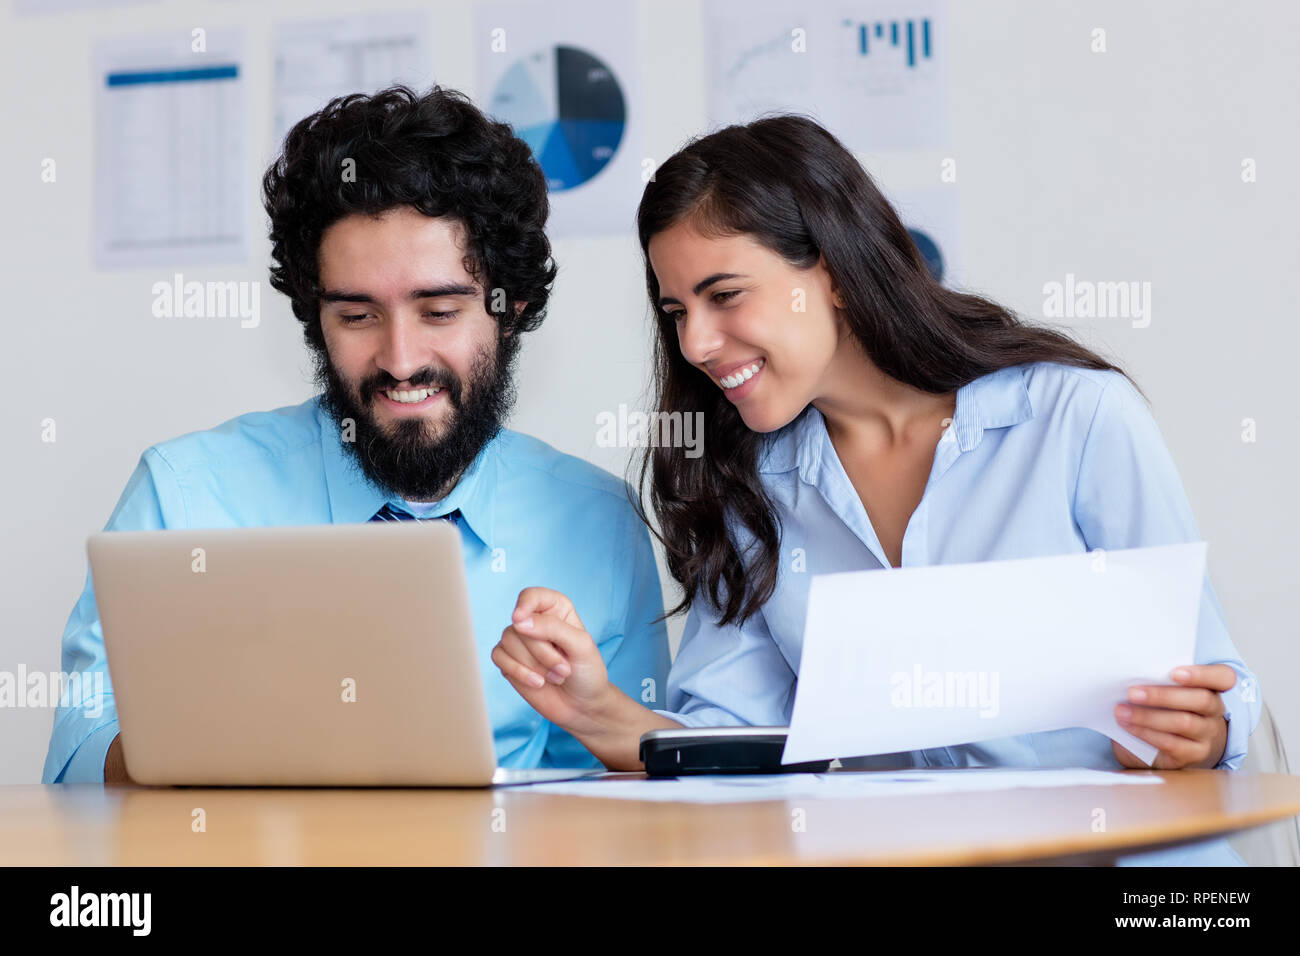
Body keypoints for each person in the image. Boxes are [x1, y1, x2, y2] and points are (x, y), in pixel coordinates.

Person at [491, 114, 1260, 865]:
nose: (694, 343)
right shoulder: (751, 487)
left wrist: (1209, 729)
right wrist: (593, 706)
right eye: (676, 311)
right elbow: (730, 747)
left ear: (831, 273)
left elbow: (1219, 686)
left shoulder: (1076, 420)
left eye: (724, 296)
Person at [43, 85, 668, 784]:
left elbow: (626, 801)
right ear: (315, 318)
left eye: (437, 311)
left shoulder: (599, 524)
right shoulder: (185, 495)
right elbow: (75, 766)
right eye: (358, 316)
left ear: (510, 309)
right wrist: (210, 739)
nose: (400, 361)